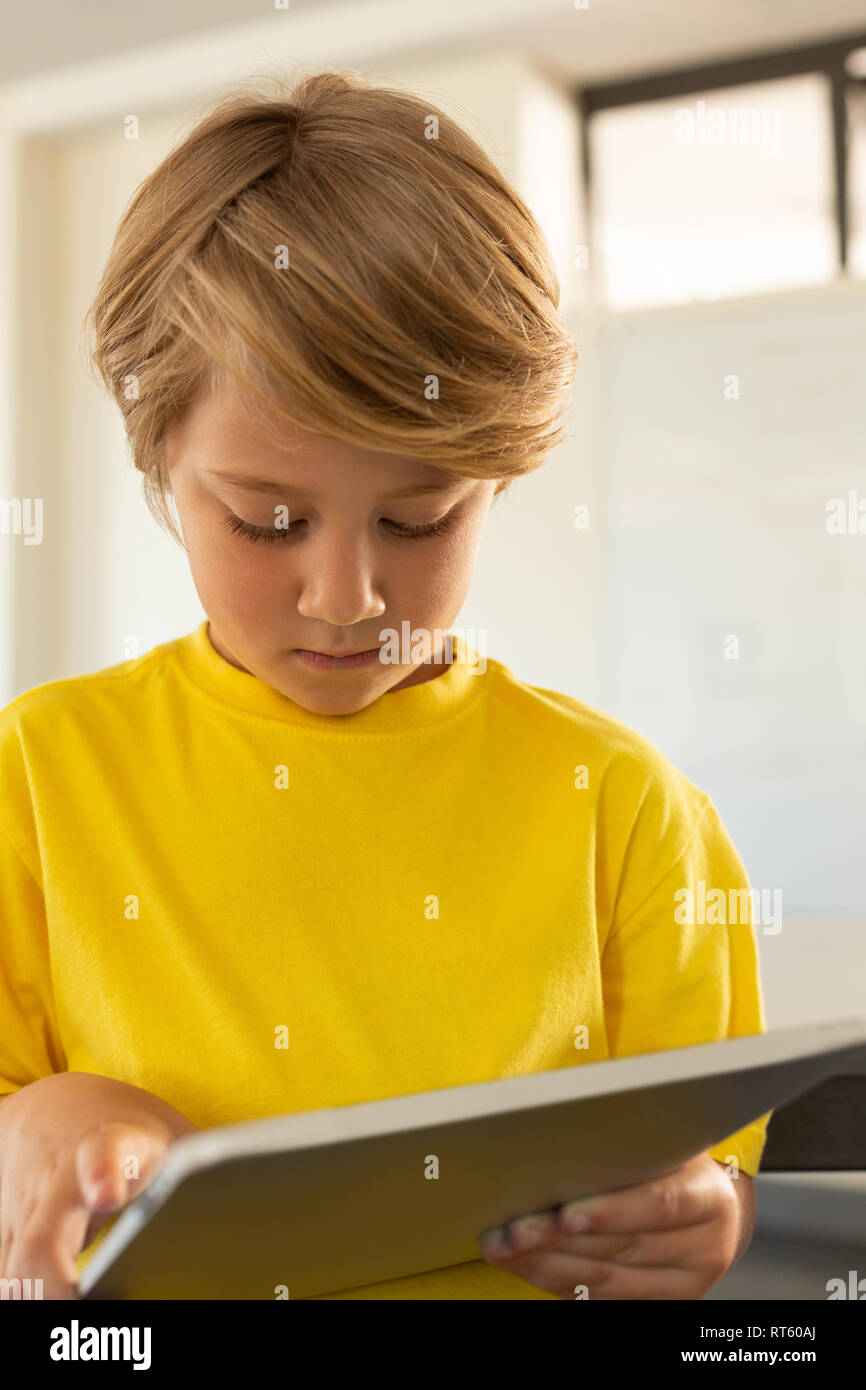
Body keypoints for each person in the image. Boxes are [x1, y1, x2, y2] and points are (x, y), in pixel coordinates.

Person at [0, 70, 769, 1301]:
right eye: (268, 520)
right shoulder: (37, 778)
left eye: (418, 519)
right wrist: (33, 1125)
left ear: (496, 480)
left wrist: (703, 1216)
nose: (347, 596)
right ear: (160, 459)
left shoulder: (621, 809)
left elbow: (699, 1165)